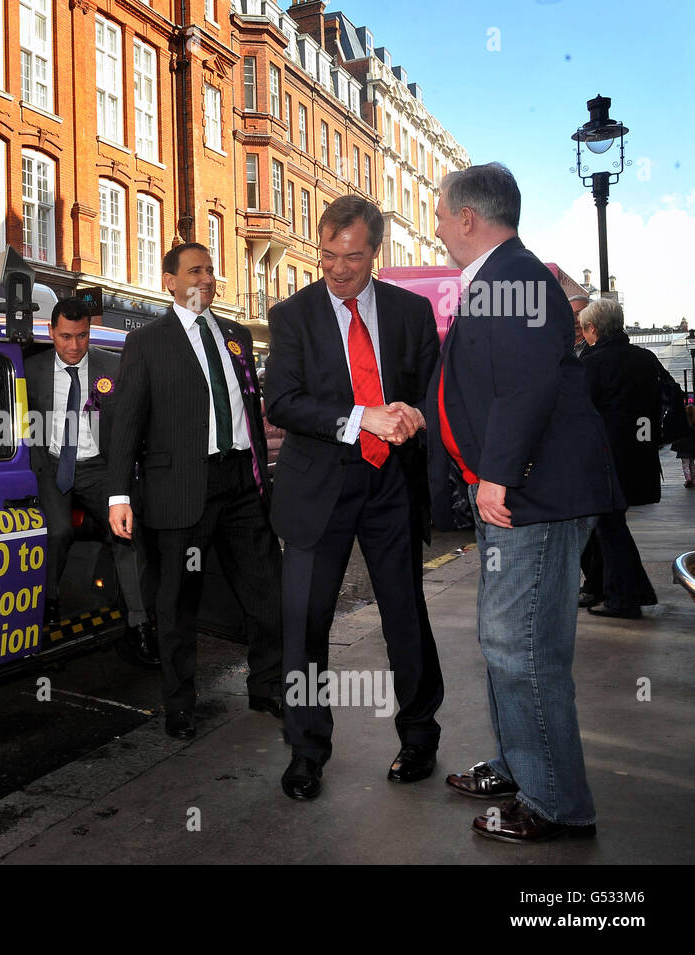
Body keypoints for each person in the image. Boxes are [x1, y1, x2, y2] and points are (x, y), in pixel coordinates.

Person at [427, 162, 624, 843]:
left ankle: (556, 803)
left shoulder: (512, 278)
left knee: (523, 650)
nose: (437, 224)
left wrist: (497, 475)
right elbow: (486, 383)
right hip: (522, 493)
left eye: (441, 212)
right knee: (508, 642)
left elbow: (528, 384)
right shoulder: (506, 276)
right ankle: (522, 764)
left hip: (531, 496)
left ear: (469, 219)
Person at [264, 194, 444, 801]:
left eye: (353, 256)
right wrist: (360, 417)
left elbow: (432, 389)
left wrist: (412, 414)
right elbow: (282, 402)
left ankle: (419, 735)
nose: (339, 269)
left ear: (376, 251)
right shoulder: (291, 316)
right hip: (319, 488)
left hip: (392, 486)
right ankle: (306, 751)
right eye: (328, 255)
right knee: (305, 627)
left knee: (405, 616)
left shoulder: (410, 313)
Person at [106, 243, 284, 739]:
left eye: (209, 269)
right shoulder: (147, 343)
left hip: (241, 484)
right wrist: (118, 493)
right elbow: (125, 423)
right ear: (169, 281)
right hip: (183, 489)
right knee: (178, 601)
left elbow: (250, 405)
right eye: (194, 271)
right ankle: (179, 704)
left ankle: (268, 686)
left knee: (266, 588)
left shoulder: (236, 336)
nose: (205, 278)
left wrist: (261, 473)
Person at [26, 297, 157, 665]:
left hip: (100, 468)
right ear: (51, 332)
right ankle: (49, 602)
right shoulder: (31, 369)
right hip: (52, 466)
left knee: (126, 535)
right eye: (66, 336)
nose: (73, 346)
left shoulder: (112, 367)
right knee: (58, 532)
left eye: (82, 336)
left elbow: (135, 421)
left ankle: (139, 624)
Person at [577, 298, 660, 618]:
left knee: (610, 530)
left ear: (593, 329)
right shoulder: (643, 358)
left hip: (605, 460)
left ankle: (626, 597)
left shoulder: (592, 364)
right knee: (610, 527)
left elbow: (581, 413)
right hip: (639, 456)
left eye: (584, 328)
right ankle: (623, 591)